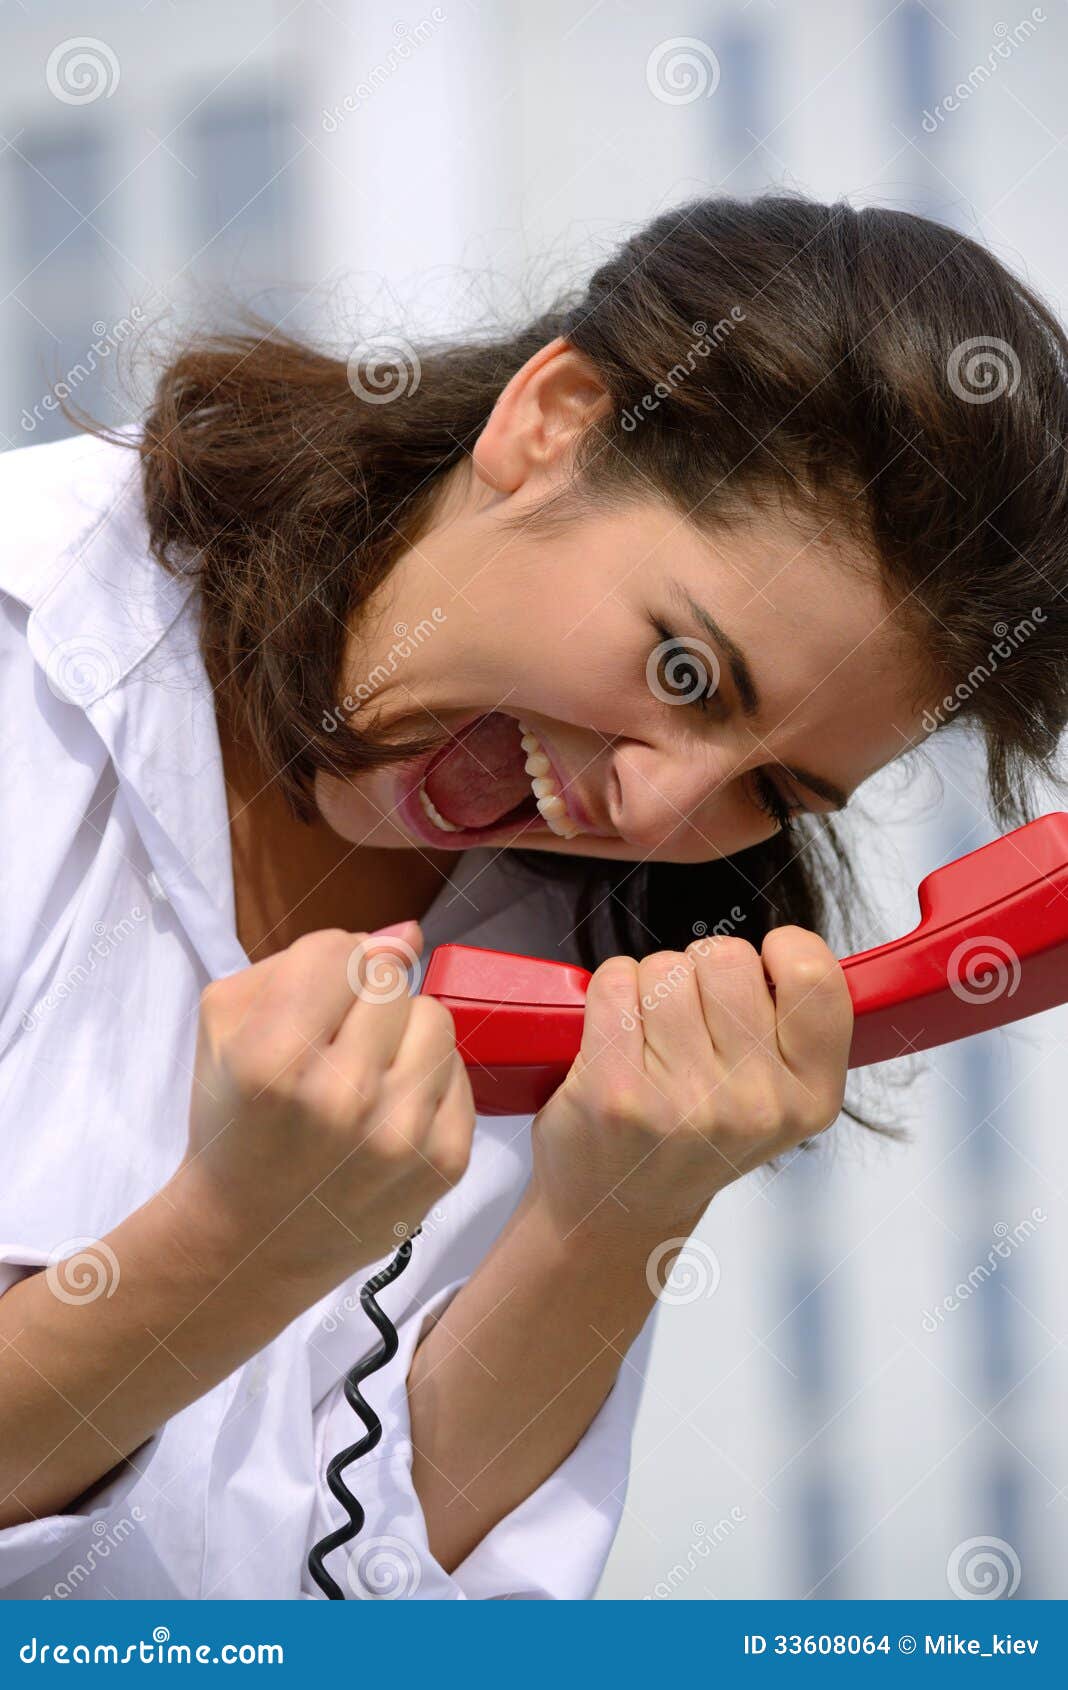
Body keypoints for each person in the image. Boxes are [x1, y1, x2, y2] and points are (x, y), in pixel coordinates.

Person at [1, 194, 1065, 1600]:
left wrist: (612, 1217)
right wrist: (239, 1242)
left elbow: (400, 1593)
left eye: (776, 790)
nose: (659, 812)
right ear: (551, 422)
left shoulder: (621, 955)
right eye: (688, 670)